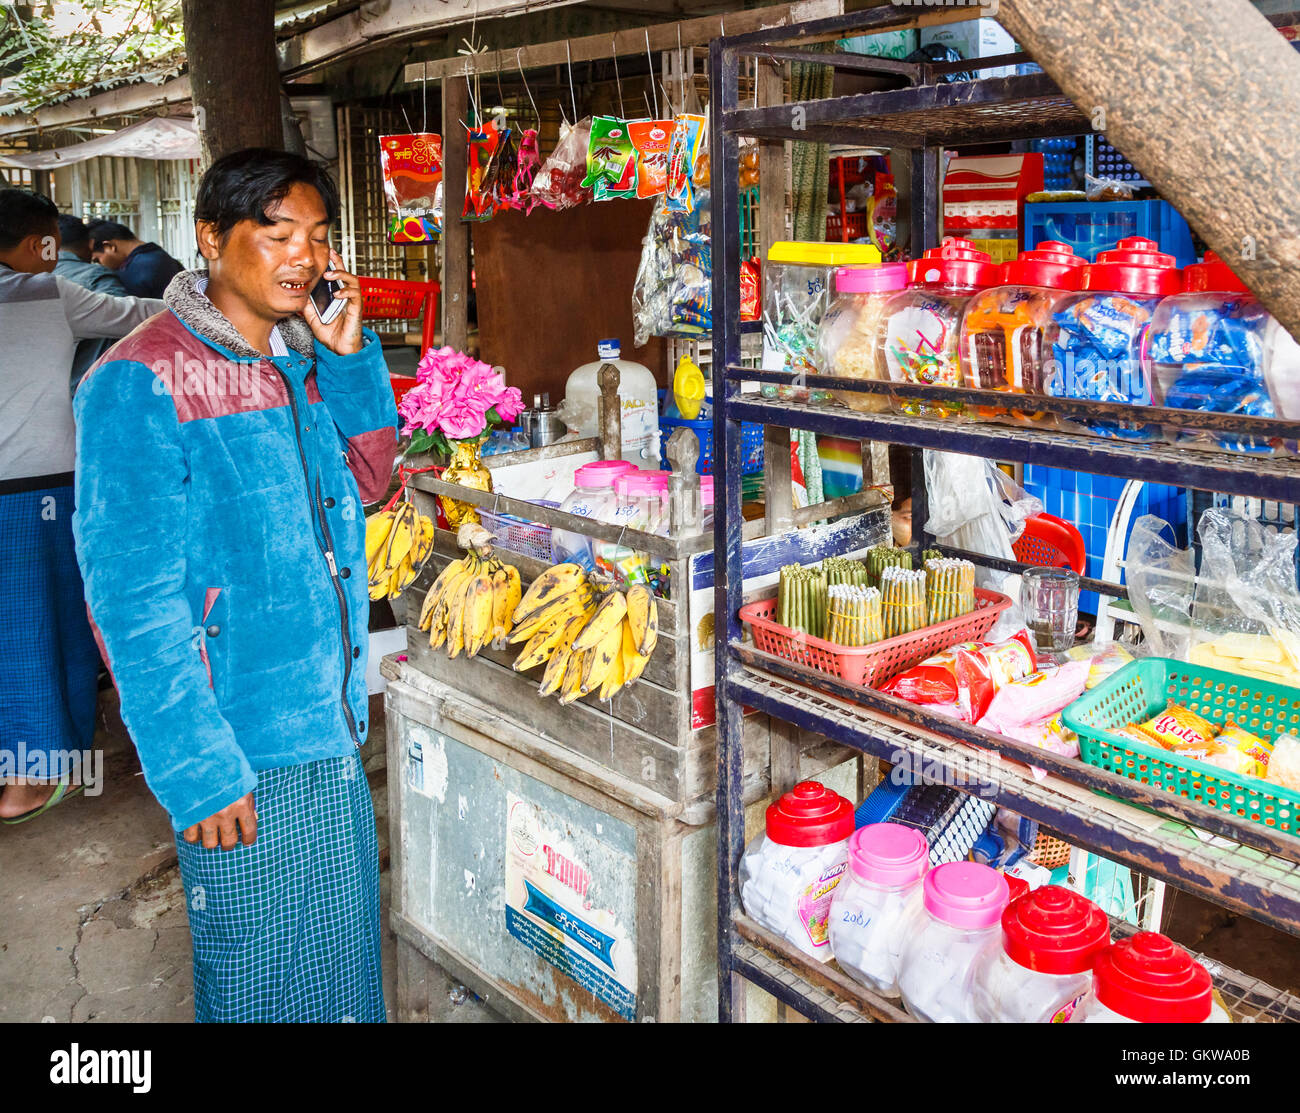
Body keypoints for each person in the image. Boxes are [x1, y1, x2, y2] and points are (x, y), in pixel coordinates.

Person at [74, 149, 397, 1022]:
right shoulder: (140, 379)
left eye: (320, 237)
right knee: (257, 977)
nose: (305, 256)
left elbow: (372, 481)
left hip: (327, 721)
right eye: (278, 231)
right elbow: (130, 604)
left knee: (340, 967)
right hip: (236, 741)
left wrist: (353, 356)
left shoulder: (299, 358)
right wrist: (193, 764)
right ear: (212, 239)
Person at [0, 189, 162, 824]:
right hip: (31, 488)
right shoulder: (47, 292)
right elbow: (139, 315)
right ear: (41, 243)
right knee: (41, 628)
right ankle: (34, 780)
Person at [55, 214, 130, 389]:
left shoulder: (31, 279)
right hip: (92, 384)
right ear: (90, 244)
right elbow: (125, 323)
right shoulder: (96, 277)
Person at [85, 218, 183, 298]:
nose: (99, 265)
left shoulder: (138, 269)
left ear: (109, 246)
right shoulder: (157, 256)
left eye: (97, 260)